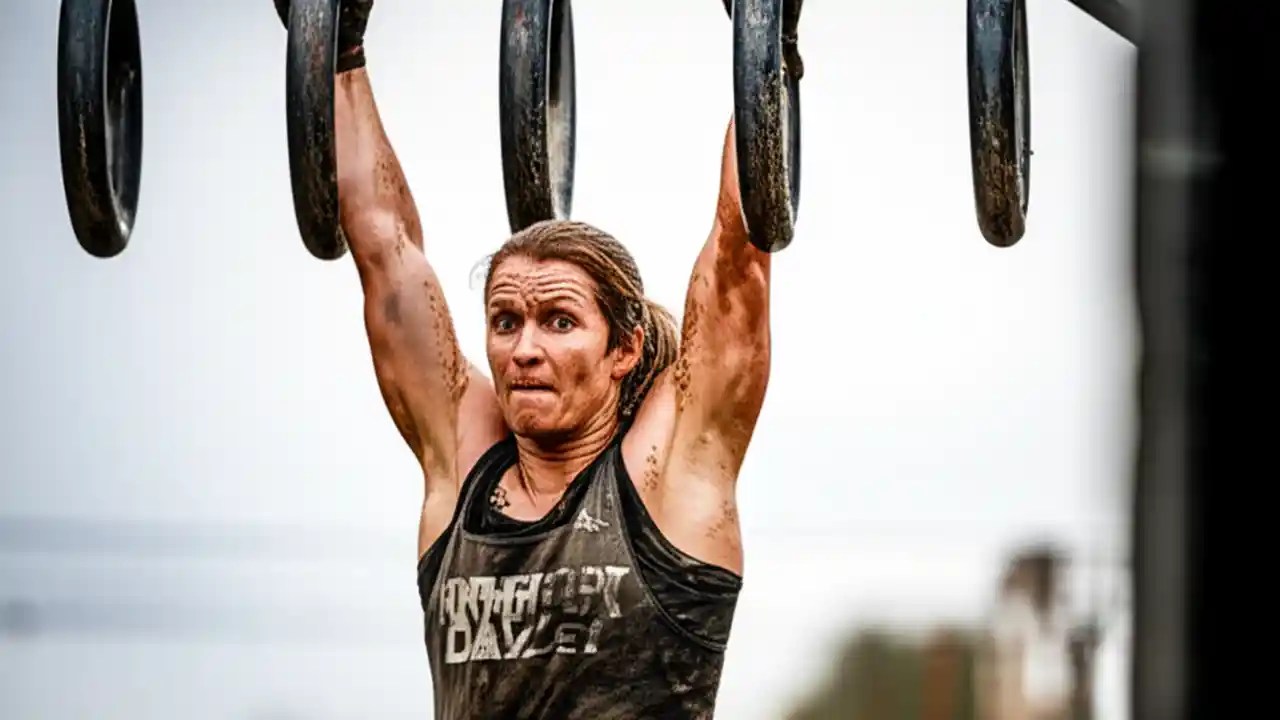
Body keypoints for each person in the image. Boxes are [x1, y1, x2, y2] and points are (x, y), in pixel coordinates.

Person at [273, 2, 801, 717]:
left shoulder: (669, 481)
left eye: (558, 322)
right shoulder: (464, 469)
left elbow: (738, 257)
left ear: (624, 349)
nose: (524, 349)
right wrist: (336, 51)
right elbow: (383, 247)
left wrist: (767, 40)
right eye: (505, 321)